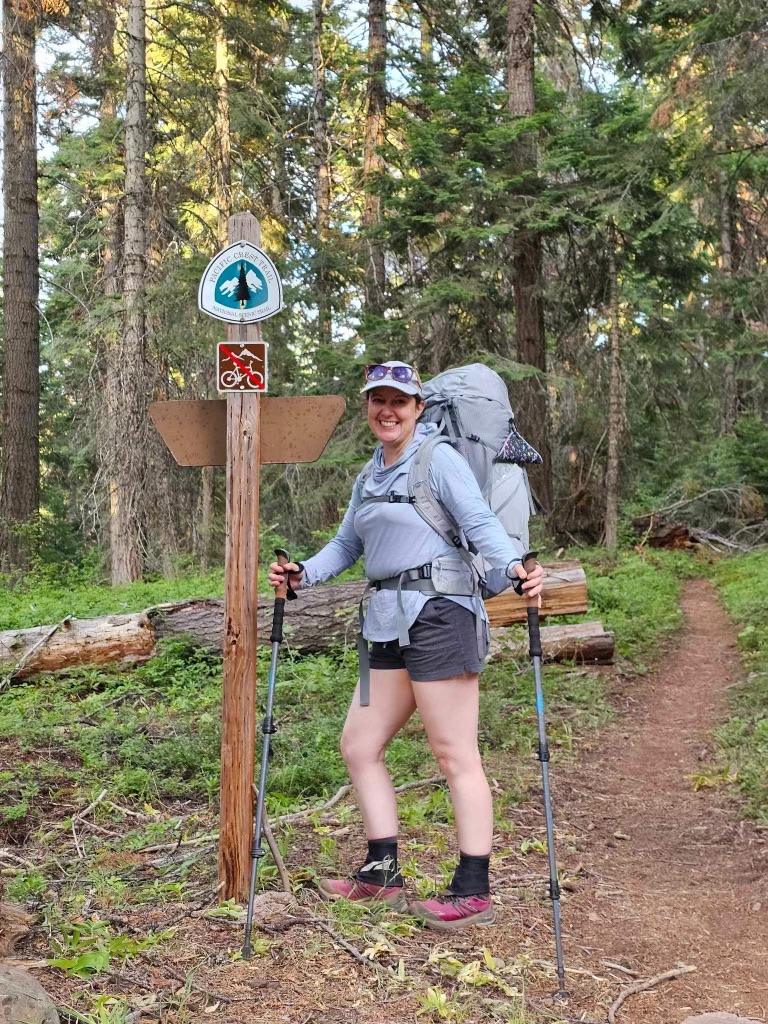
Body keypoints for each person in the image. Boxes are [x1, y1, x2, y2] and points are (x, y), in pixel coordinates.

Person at [268, 360, 544, 931]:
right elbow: (347, 545)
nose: (387, 410)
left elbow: (479, 522)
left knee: (454, 753)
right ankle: (381, 872)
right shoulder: (369, 475)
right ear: (368, 407)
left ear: (419, 408)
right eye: (379, 400)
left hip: (442, 615)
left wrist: (515, 566)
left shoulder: (437, 459)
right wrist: (303, 575)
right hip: (385, 621)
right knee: (359, 744)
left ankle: (473, 890)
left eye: (399, 401)